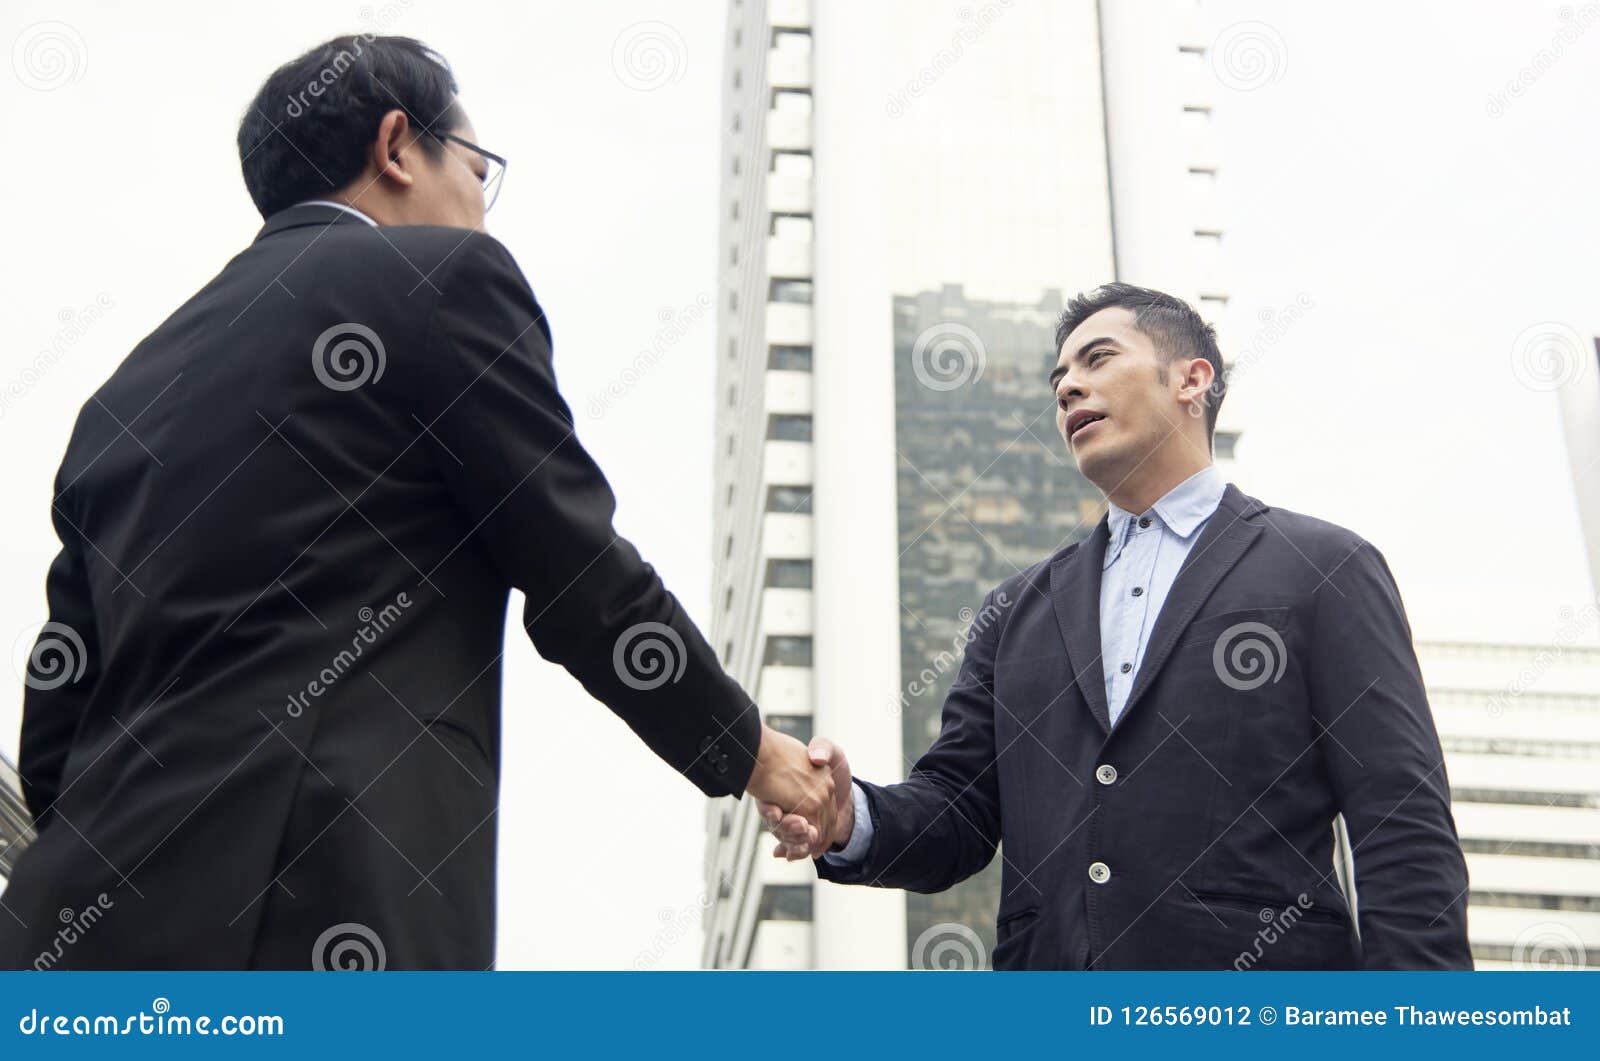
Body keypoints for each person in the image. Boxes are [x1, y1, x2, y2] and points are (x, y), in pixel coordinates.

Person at [0, 35, 835, 971]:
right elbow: (576, 570)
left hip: (79, 929)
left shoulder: (120, 398)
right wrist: (754, 752)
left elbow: (57, 724)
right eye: (479, 169)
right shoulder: (441, 282)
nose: (480, 204)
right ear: (399, 147)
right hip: (326, 898)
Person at [763, 283, 1473, 970]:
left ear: (1192, 380)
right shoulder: (1014, 611)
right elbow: (958, 811)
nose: (1068, 387)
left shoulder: (1325, 567)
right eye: (1059, 377)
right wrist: (847, 815)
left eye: (1097, 359)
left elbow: (1401, 821)